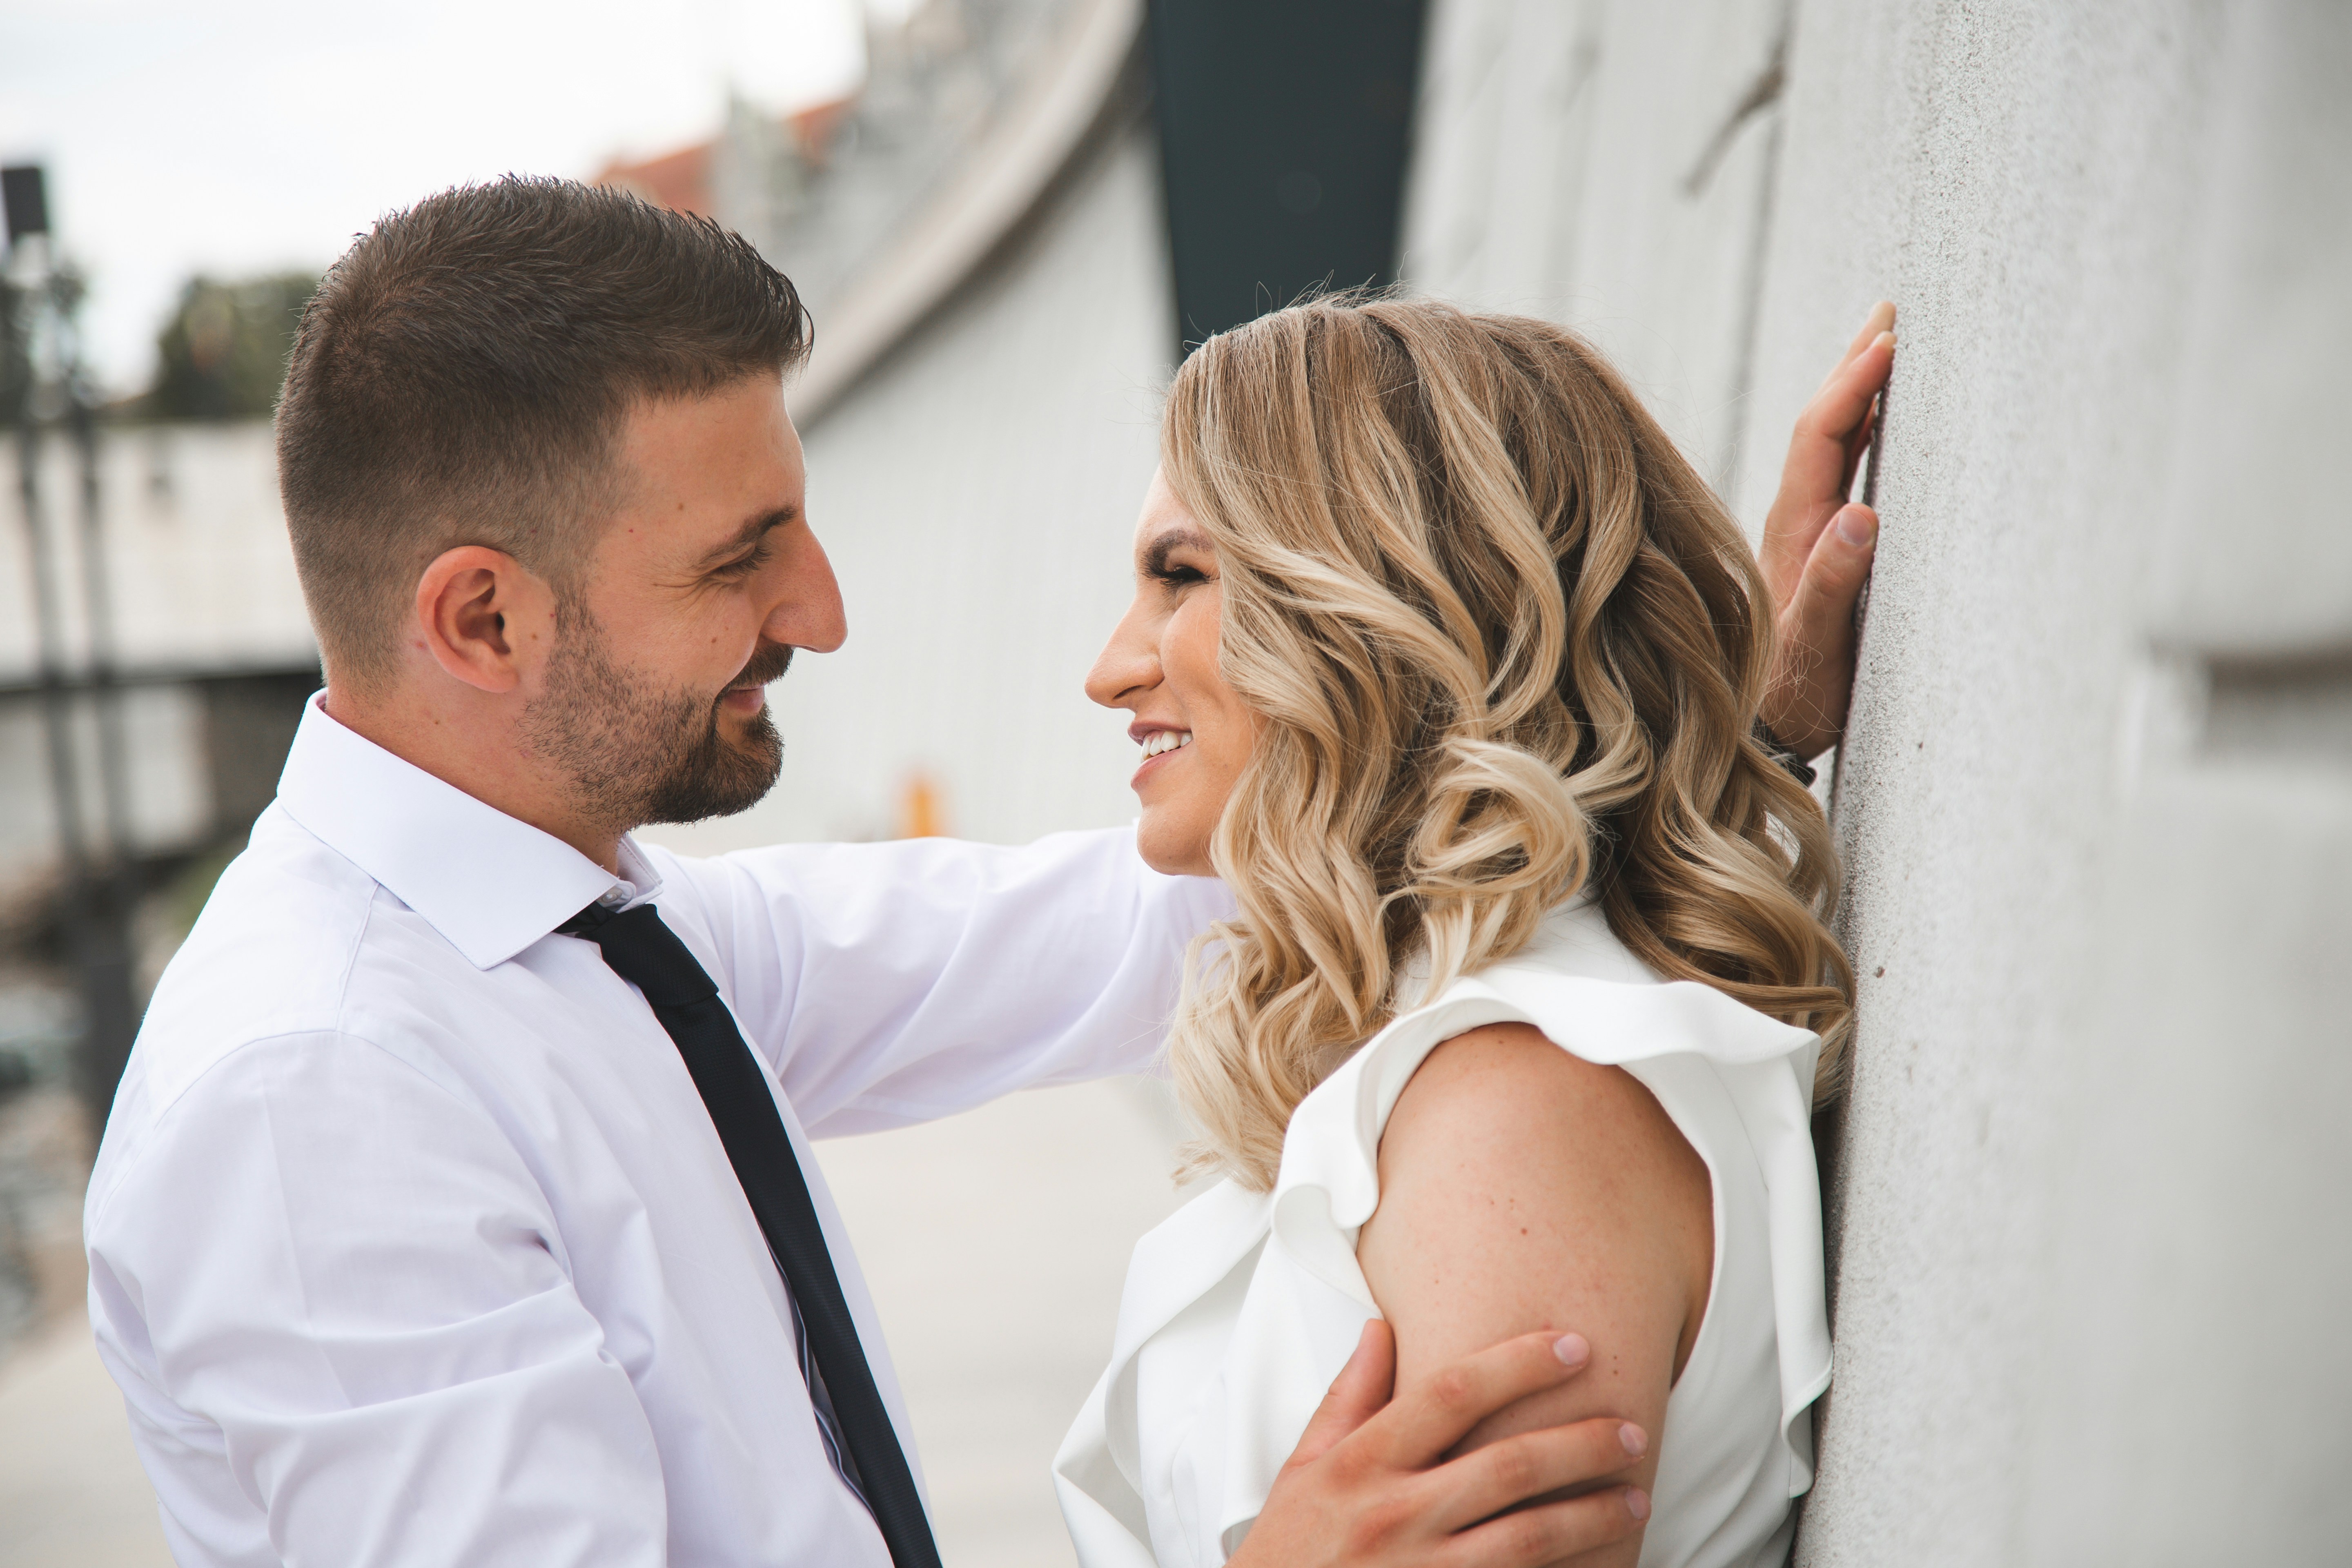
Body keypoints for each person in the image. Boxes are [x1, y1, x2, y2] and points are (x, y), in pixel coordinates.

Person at [80, 178, 1881, 1568]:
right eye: (741, 558)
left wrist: (1673, 730)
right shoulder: (319, 1097)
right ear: (483, 619)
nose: (821, 613)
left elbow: (1192, 895)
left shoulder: (611, 946)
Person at [1060, 297, 1895, 1567]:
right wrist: (1748, 744)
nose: (1111, 669)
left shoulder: (1517, 1113)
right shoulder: (1478, 1059)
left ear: (1380, 600)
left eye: (1180, 576)